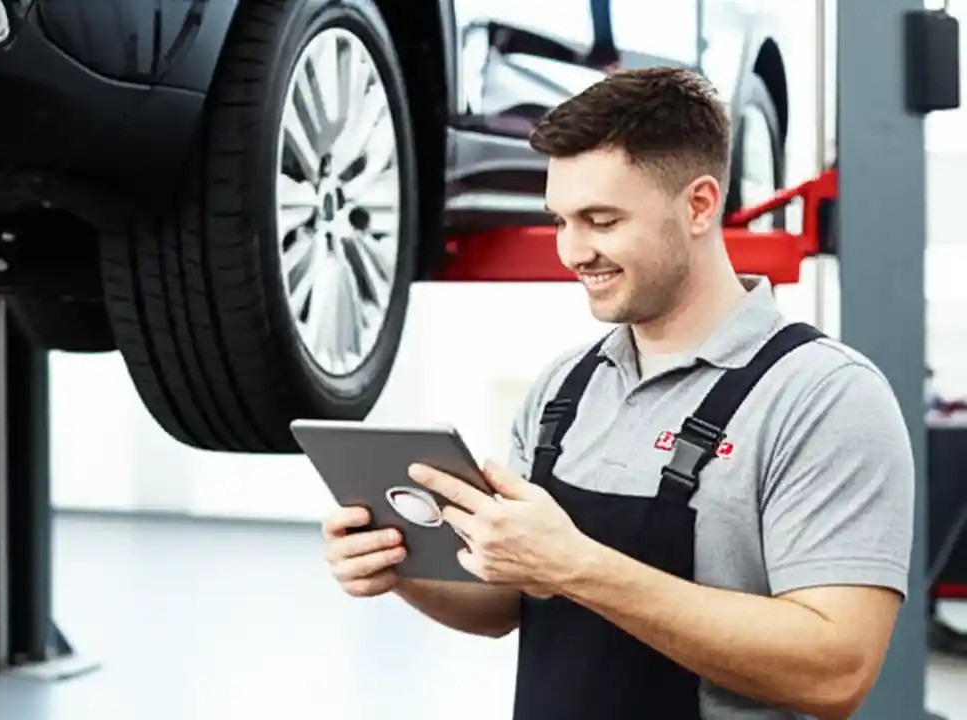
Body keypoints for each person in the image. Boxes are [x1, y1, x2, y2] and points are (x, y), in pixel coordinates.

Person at [320, 67, 914, 720]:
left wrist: (578, 566)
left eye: (601, 220)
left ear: (699, 205)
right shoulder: (565, 389)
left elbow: (835, 672)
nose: (573, 251)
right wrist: (401, 568)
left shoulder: (822, 398)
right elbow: (509, 602)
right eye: (561, 221)